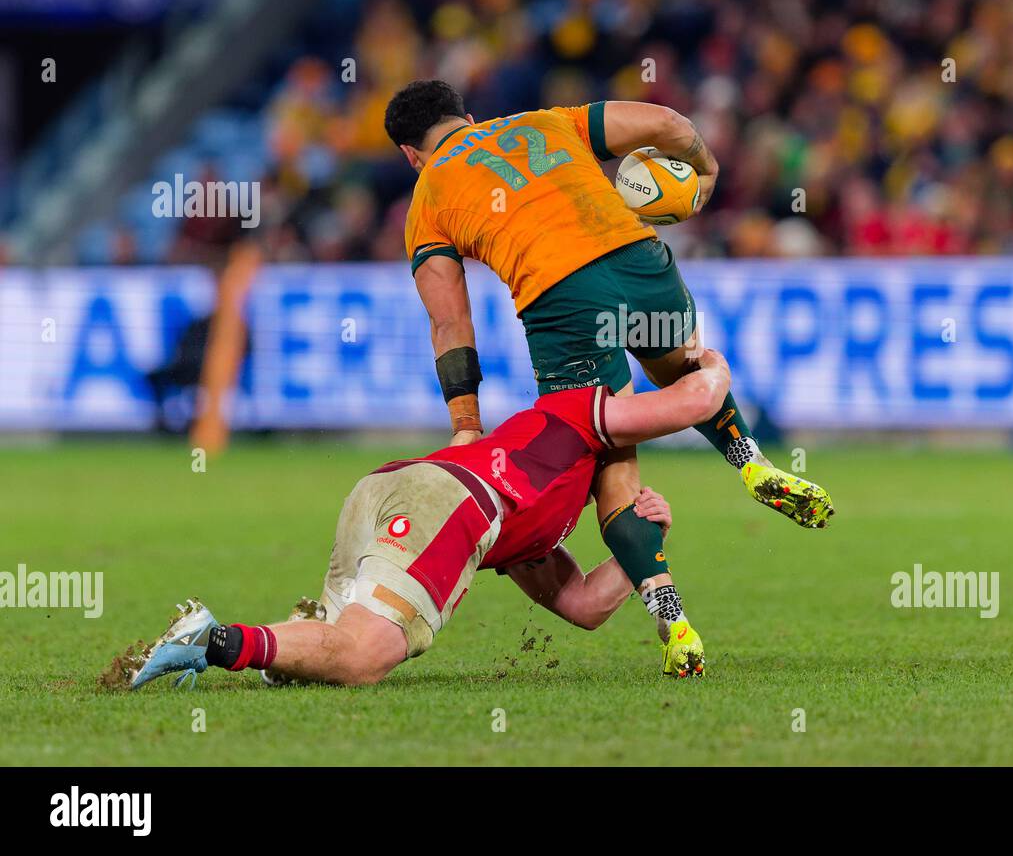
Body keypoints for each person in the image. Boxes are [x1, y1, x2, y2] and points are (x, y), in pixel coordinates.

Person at [382, 81, 834, 648]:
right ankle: (750, 460)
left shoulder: (427, 201)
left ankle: (674, 624)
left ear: (409, 155)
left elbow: (451, 324)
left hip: (562, 298)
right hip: (640, 260)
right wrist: (706, 168)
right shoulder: (545, 122)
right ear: (468, 117)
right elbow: (667, 123)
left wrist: (466, 421)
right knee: (685, 369)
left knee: (613, 459)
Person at [110, 349, 734, 691]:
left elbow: (581, 605)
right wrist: (708, 362)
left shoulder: (545, 510)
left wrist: (643, 551)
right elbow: (695, 401)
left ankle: (284, 645)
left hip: (393, 489)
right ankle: (210, 640)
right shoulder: (578, 411)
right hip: (450, 503)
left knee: (324, 663)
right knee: (365, 659)